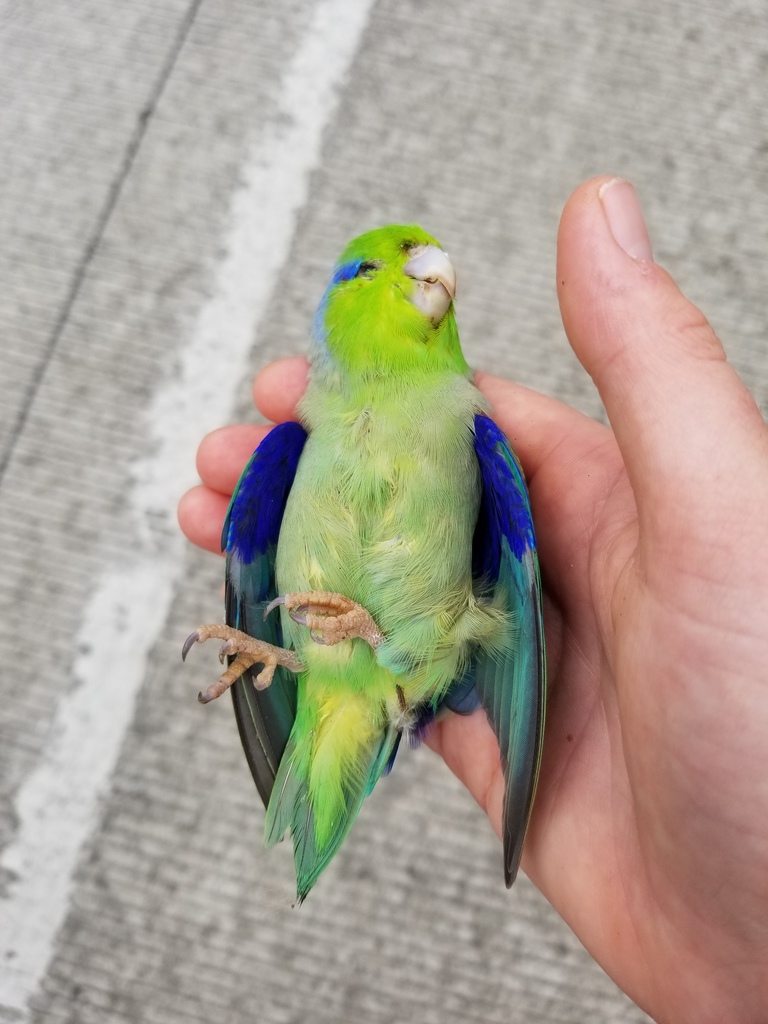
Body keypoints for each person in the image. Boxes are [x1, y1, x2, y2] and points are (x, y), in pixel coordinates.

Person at [178, 177, 768, 1022]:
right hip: (323, 680)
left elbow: (514, 610)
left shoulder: (472, 431)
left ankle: (368, 666)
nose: (421, 269)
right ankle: (299, 662)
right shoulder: (296, 439)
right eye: (374, 266)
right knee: (249, 489)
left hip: (405, 667)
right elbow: (251, 565)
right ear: (339, 302)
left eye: (425, 266)